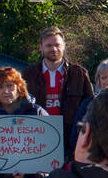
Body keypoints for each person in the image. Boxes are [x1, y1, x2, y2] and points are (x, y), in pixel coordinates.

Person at [23, 26, 94, 160]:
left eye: (57, 45)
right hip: (37, 139)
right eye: (49, 45)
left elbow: (90, 108)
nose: (54, 49)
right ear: (41, 48)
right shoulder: (29, 74)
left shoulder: (79, 74)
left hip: (69, 140)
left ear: (64, 46)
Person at [71, 58, 108, 150]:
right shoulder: (87, 103)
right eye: (103, 78)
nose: (107, 82)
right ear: (98, 80)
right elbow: (75, 136)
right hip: (93, 156)